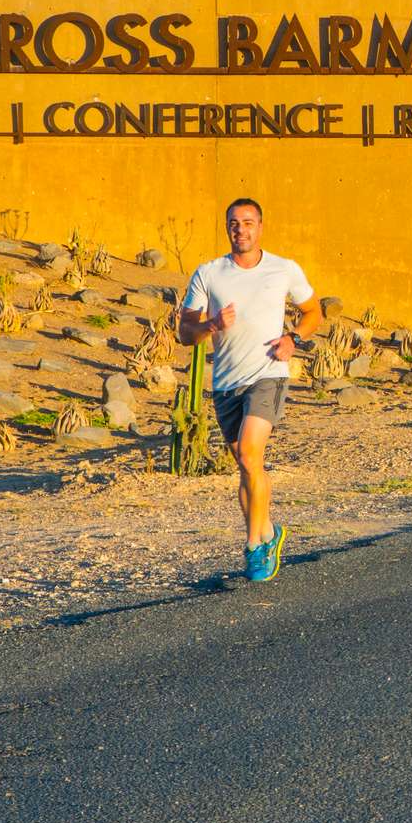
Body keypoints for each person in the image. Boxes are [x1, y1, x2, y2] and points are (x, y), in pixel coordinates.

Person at [177, 198, 319, 583]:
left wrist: (293, 339)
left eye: (248, 222)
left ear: (261, 226)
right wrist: (210, 325)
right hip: (226, 382)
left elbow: (314, 311)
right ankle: (270, 533)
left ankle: (255, 547)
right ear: (227, 228)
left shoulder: (283, 269)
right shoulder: (209, 273)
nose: (241, 230)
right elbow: (184, 332)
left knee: (252, 454)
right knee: (244, 462)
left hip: (268, 374)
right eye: (234, 223)